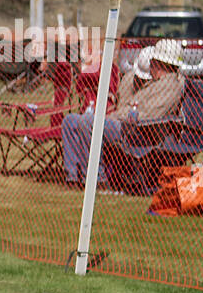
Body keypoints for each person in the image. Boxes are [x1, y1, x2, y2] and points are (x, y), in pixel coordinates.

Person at [60, 38, 186, 187]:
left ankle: (97, 179)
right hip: (125, 122)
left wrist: (117, 115)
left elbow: (148, 116)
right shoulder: (155, 83)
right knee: (70, 120)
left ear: (158, 63)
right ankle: (73, 176)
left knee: (88, 122)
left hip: (139, 131)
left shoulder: (171, 85)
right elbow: (131, 106)